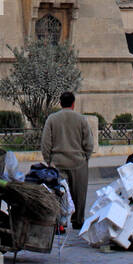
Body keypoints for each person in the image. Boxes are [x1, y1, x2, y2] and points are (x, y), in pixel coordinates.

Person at [40, 91, 94, 229]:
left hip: (58, 163)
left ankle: (60, 223)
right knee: (79, 195)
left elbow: (46, 143)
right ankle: (78, 221)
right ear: (73, 104)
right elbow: (89, 142)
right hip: (78, 163)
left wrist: (49, 161)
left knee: (59, 194)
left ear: (60, 103)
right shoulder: (81, 119)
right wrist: (85, 157)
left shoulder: (52, 119)